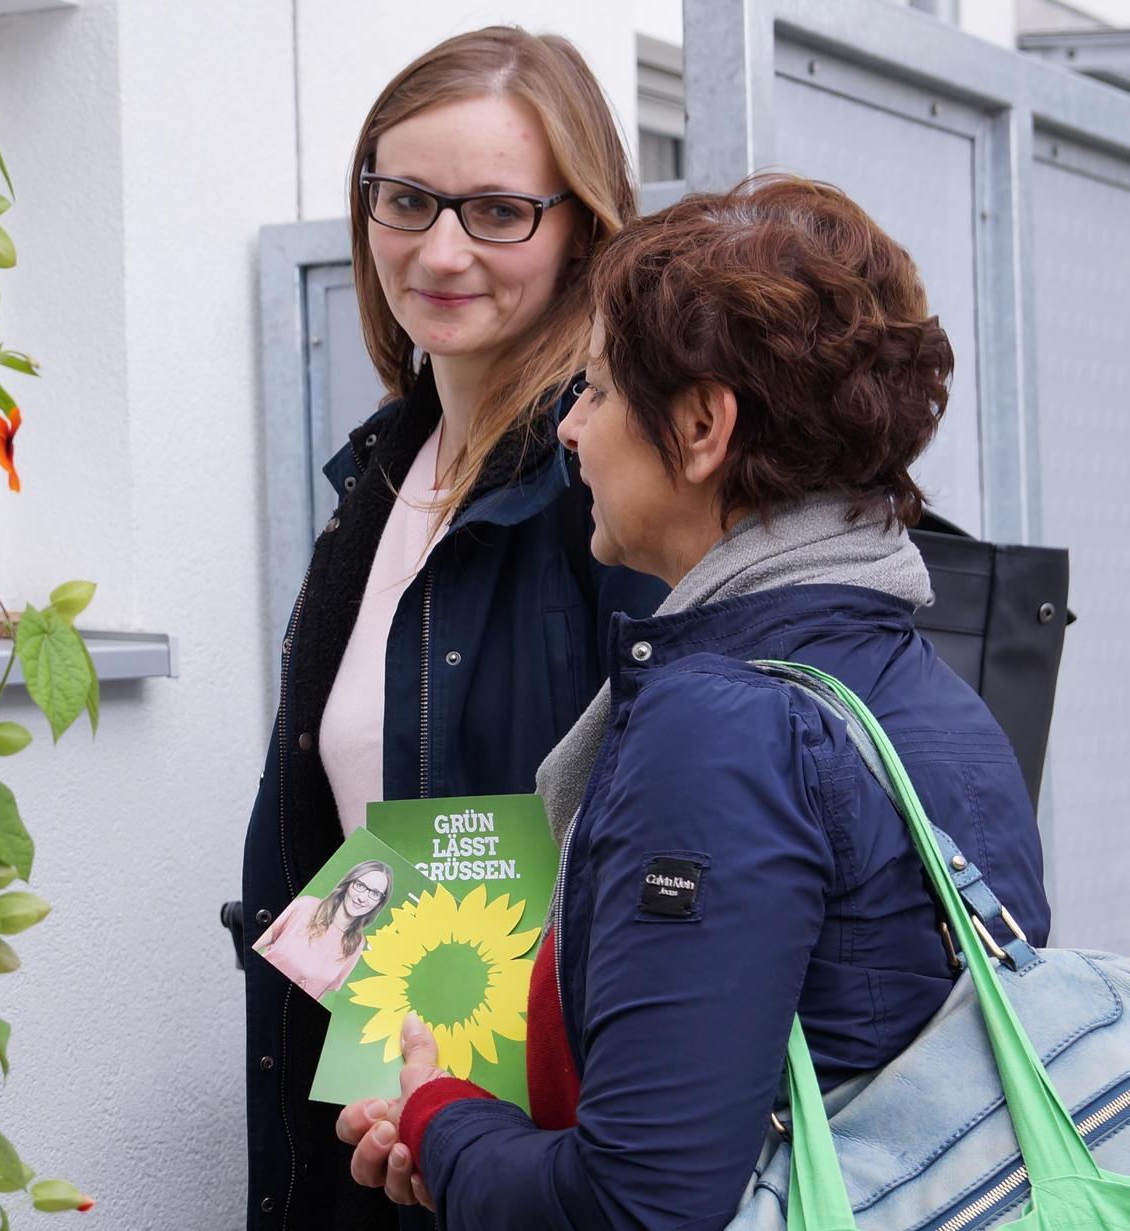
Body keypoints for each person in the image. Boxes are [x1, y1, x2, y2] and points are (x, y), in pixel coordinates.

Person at [335, 174, 1054, 1230]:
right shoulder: (917, 682)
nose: (573, 430)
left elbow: (640, 1206)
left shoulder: (718, 727)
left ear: (703, 424)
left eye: (595, 391)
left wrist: (443, 1123)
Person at [232, 26, 667, 1231]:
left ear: (582, 223)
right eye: (406, 199)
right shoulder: (383, 475)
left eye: (496, 212)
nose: (438, 249)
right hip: (378, 1122)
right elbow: (382, 834)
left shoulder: (608, 490)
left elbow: (666, 837)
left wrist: (482, 1117)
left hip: (531, 1152)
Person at [254, 860, 393, 1001]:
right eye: (360, 885)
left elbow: (321, 991)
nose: (362, 898)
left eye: (375, 893)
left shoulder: (357, 943)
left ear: (380, 902)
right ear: (349, 883)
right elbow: (255, 942)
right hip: (259, 991)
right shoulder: (306, 905)